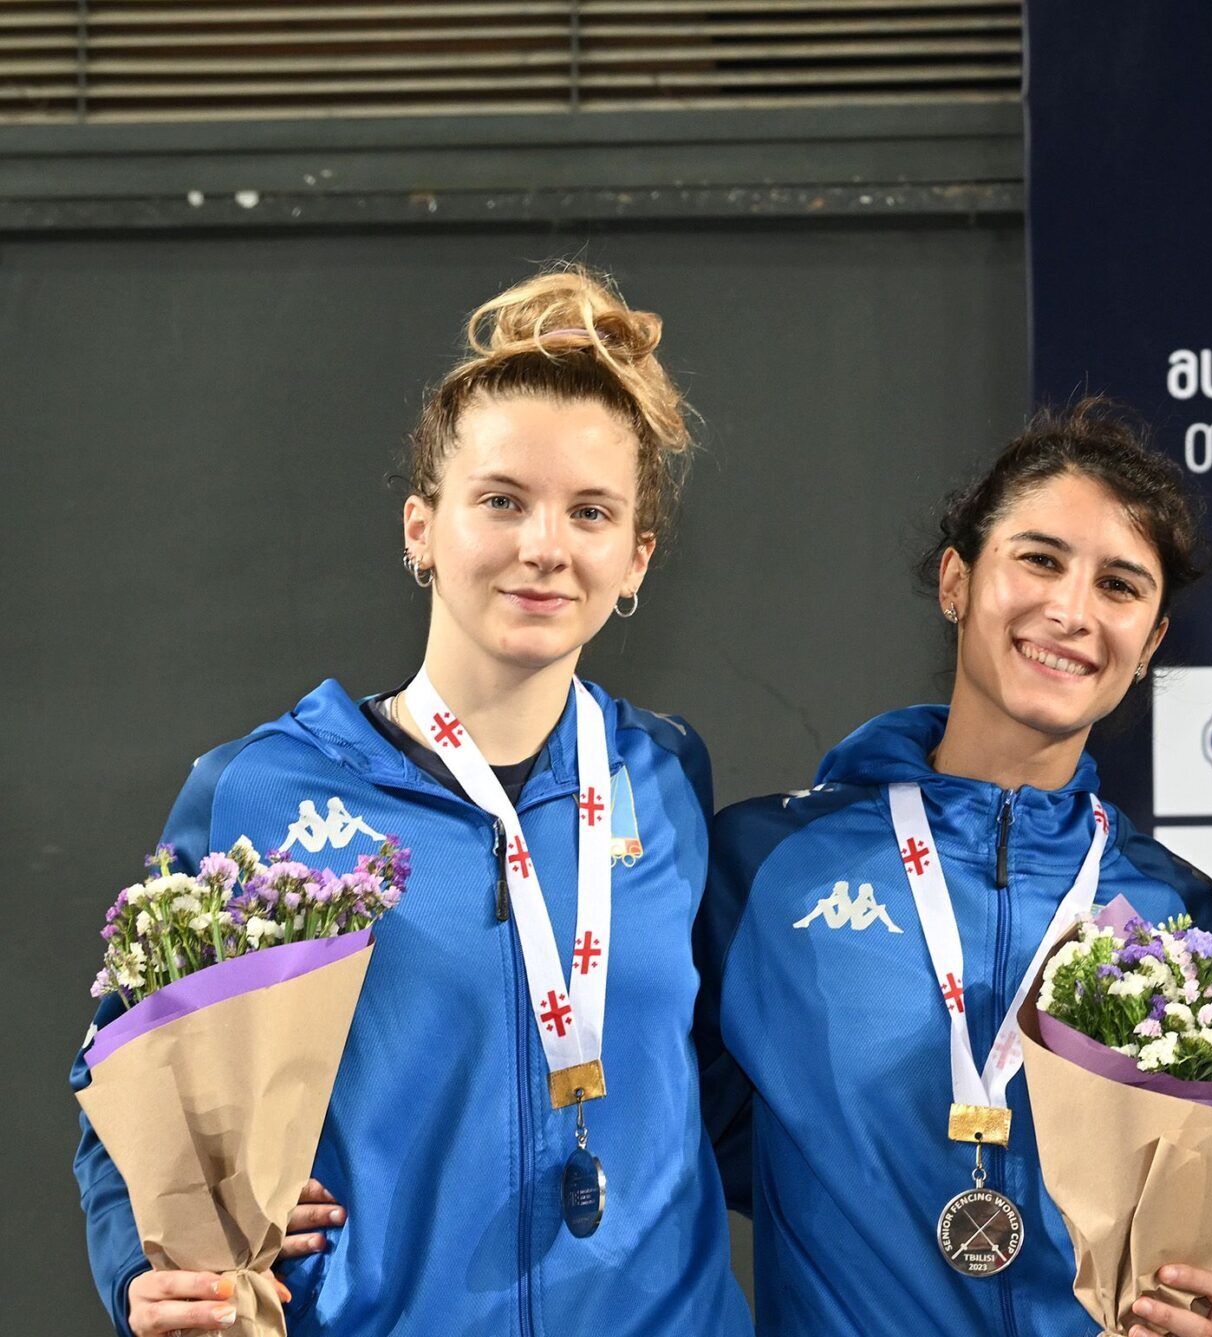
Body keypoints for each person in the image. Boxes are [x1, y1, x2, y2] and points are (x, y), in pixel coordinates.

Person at [72, 265, 752, 1335]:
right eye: (500, 500)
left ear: (636, 559)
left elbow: (723, 1085)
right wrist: (142, 1261)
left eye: (589, 511)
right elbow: (127, 1083)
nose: (543, 545)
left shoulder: (664, 775)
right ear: (420, 527)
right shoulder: (264, 791)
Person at [697, 398, 1212, 1337]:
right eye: (1039, 559)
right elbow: (646, 1129)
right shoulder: (764, 866)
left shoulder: (1180, 912)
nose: (1072, 610)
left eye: (1121, 585)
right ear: (958, 580)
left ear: (1152, 641)